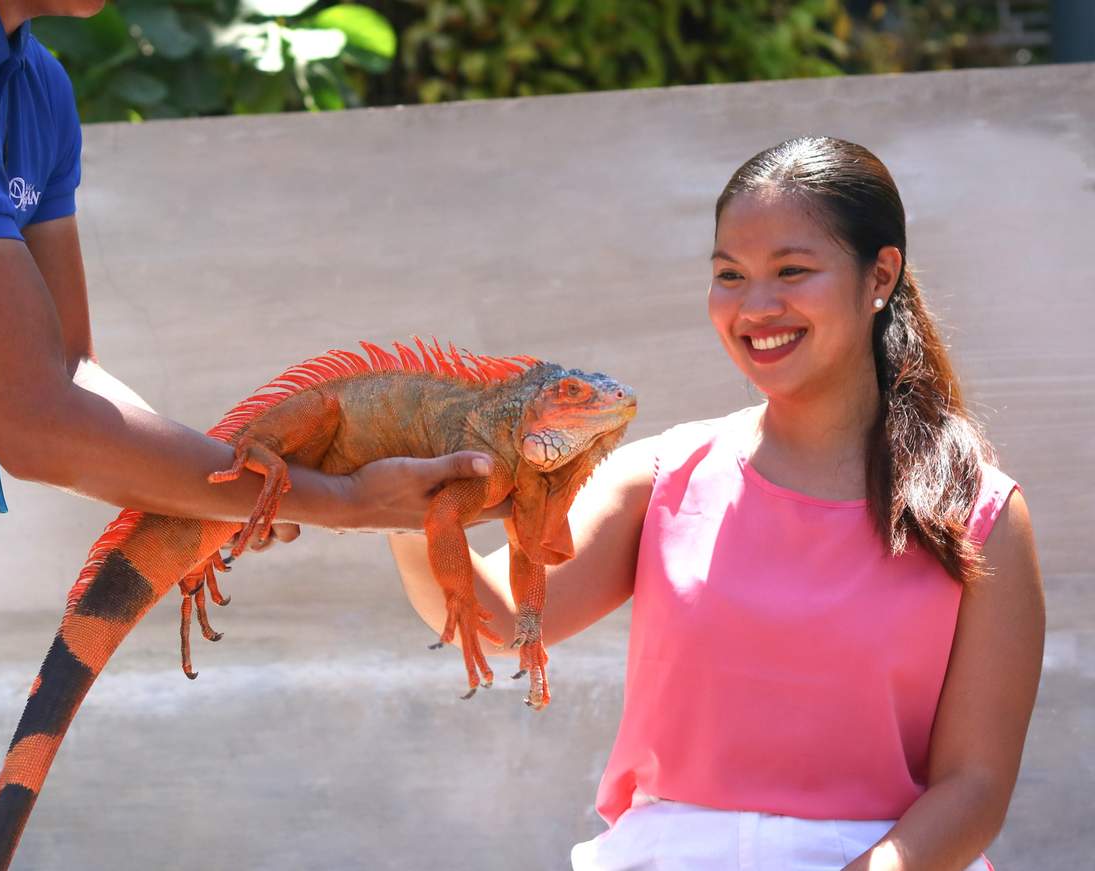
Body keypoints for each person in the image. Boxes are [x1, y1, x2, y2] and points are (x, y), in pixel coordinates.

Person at [0, 1, 498, 867]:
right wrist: (338, 501)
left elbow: (66, 370)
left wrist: (231, 484)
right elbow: (36, 425)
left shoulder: (33, 87)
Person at [391, 136, 1045, 870]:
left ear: (880, 276)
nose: (755, 307)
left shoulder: (979, 515)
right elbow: (504, 617)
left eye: (791, 271)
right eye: (729, 275)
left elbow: (974, 787)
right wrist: (407, 512)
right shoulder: (662, 476)